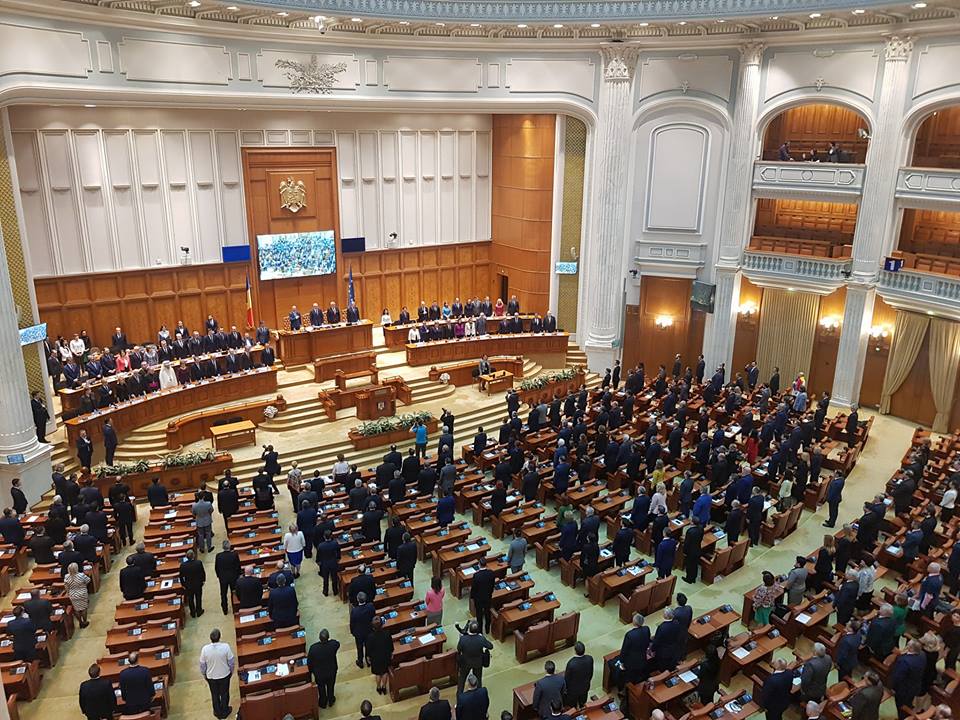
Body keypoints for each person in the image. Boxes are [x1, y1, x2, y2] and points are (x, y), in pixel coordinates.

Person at [199, 628, 234, 719]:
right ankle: (225, 710)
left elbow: (202, 665)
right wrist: (231, 671)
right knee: (225, 693)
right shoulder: (226, 647)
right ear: (219, 637)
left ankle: (217, 712)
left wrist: (204, 674)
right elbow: (231, 662)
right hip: (224, 675)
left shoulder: (205, 649)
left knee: (214, 694)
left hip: (211, 676)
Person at [890, 639, 925, 719]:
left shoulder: (904, 661)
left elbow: (897, 677)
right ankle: (907, 714)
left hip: (903, 690)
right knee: (908, 703)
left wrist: (893, 688)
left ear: (911, 648)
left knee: (900, 706)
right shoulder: (922, 654)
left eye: (908, 645)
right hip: (915, 686)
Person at [456, 620, 493, 692]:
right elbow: (490, 646)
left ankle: (459, 695)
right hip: (478, 663)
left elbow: (458, 649)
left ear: (469, 629)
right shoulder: (481, 639)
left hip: (465, 663)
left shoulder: (463, 639)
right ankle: (478, 693)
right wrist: (482, 637)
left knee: (462, 680)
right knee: (478, 679)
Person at [308, 628, 340, 708]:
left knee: (321, 688)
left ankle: (323, 702)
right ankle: (331, 699)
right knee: (331, 686)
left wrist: (311, 671)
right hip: (331, 671)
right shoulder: (333, 645)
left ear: (319, 638)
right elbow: (337, 643)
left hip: (319, 673)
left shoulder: (313, 648)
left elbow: (309, 662)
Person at [619, 614, 650, 684]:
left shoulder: (630, 634)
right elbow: (647, 641)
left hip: (631, 662)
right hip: (643, 658)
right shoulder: (646, 629)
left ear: (634, 622)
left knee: (630, 678)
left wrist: (621, 661)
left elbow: (625, 649)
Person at [366, 616, 394, 695]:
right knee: (384, 672)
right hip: (385, 656)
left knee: (378, 674)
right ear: (382, 625)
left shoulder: (370, 637)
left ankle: (378, 687)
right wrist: (391, 654)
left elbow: (368, 649)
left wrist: (368, 657)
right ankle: (384, 687)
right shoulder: (387, 634)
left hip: (375, 658)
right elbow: (390, 646)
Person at [563, 642, 593, 709]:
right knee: (583, 703)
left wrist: (566, 689)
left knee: (573, 706)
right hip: (585, 686)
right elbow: (591, 673)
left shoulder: (571, 663)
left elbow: (567, 679)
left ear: (575, 651)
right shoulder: (589, 659)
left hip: (573, 691)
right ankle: (582, 708)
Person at [215, 540, 241, 615]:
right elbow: (238, 566)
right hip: (233, 577)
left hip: (223, 578)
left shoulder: (218, 556)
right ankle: (235, 608)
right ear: (229, 546)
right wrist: (238, 575)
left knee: (223, 594)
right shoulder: (234, 555)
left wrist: (219, 576)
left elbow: (216, 568)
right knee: (235, 593)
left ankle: (225, 609)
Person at [350, 591, 376, 668]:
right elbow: (373, 617)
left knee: (359, 647)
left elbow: (352, 623)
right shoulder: (370, 606)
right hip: (369, 631)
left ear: (358, 599)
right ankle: (368, 661)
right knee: (368, 646)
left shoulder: (354, 611)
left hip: (359, 633)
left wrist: (352, 632)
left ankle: (360, 661)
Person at [179, 549, 206, 618]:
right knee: (198, 598)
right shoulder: (198, 563)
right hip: (198, 584)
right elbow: (202, 573)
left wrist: (183, 585)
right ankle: (199, 611)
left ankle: (193, 613)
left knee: (190, 599)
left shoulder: (183, 565)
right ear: (193, 555)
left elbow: (181, 577)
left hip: (188, 585)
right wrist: (203, 581)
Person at [64, 562, 91, 627]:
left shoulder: (66, 577)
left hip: (73, 595)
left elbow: (66, 587)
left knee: (76, 609)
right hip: (82, 594)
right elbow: (88, 580)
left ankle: (80, 622)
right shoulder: (81, 575)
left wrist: (68, 593)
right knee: (84, 608)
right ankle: (85, 622)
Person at [316, 530, 341, 596]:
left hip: (325, 564)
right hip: (333, 563)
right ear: (331, 536)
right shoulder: (335, 543)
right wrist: (338, 558)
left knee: (325, 579)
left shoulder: (321, 545)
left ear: (324, 537)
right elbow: (338, 552)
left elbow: (318, 556)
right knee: (334, 578)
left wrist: (318, 562)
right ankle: (335, 591)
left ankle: (325, 592)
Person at [682, 517, 703, 583]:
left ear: (692, 522)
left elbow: (687, 543)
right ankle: (694, 578)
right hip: (697, 549)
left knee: (689, 565)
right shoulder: (701, 529)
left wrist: (684, 551)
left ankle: (689, 579)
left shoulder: (690, 531)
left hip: (690, 552)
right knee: (695, 565)